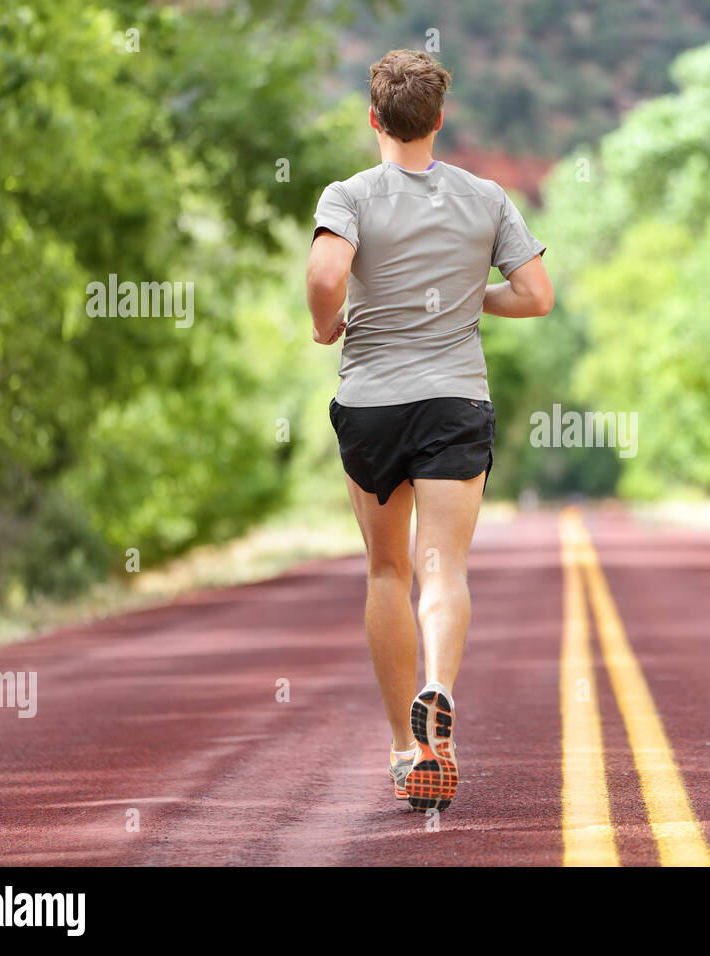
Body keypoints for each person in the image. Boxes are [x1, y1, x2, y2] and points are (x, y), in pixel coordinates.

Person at [305, 49, 553, 811]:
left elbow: (323, 278)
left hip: (374, 403)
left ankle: (405, 751)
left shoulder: (349, 195)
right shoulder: (486, 197)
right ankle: (438, 688)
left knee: (388, 571)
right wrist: (460, 301)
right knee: (443, 567)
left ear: (375, 118)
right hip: (453, 402)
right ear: (438, 120)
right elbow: (537, 295)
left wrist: (326, 329)